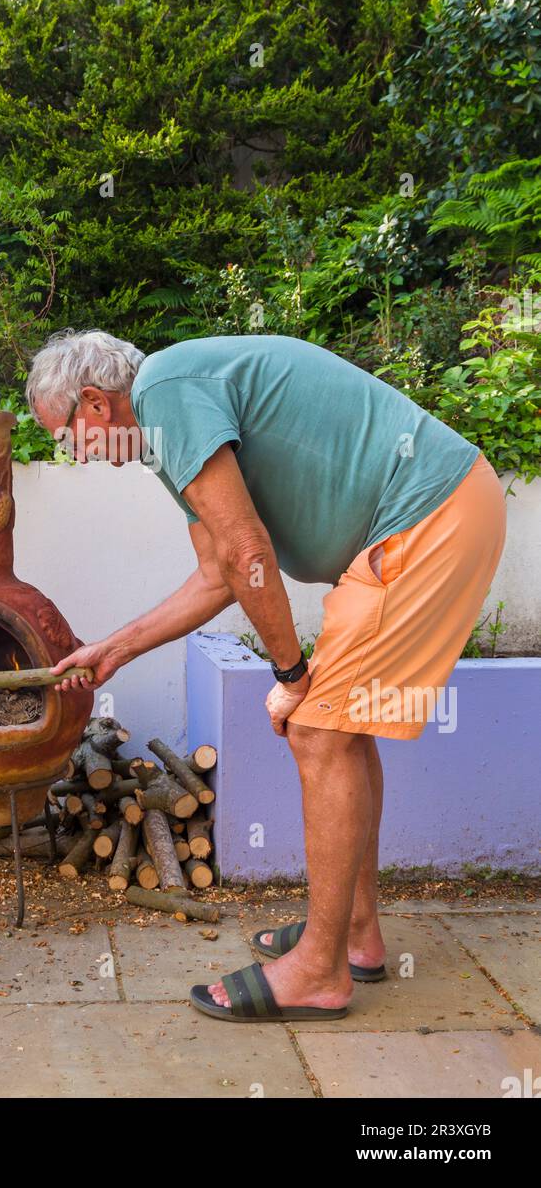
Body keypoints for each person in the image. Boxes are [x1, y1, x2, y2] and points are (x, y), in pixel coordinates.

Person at [27, 329, 507, 1024]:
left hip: (429, 518)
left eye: (67, 436)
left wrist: (290, 671)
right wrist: (116, 649)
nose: (74, 453)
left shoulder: (163, 390)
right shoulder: (168, 434)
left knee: (317, 733)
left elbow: (250, 549)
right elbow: (221, 574)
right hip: (437, 515)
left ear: (96, 404)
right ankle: (353, 935)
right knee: (339, 732)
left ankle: (319, 970)